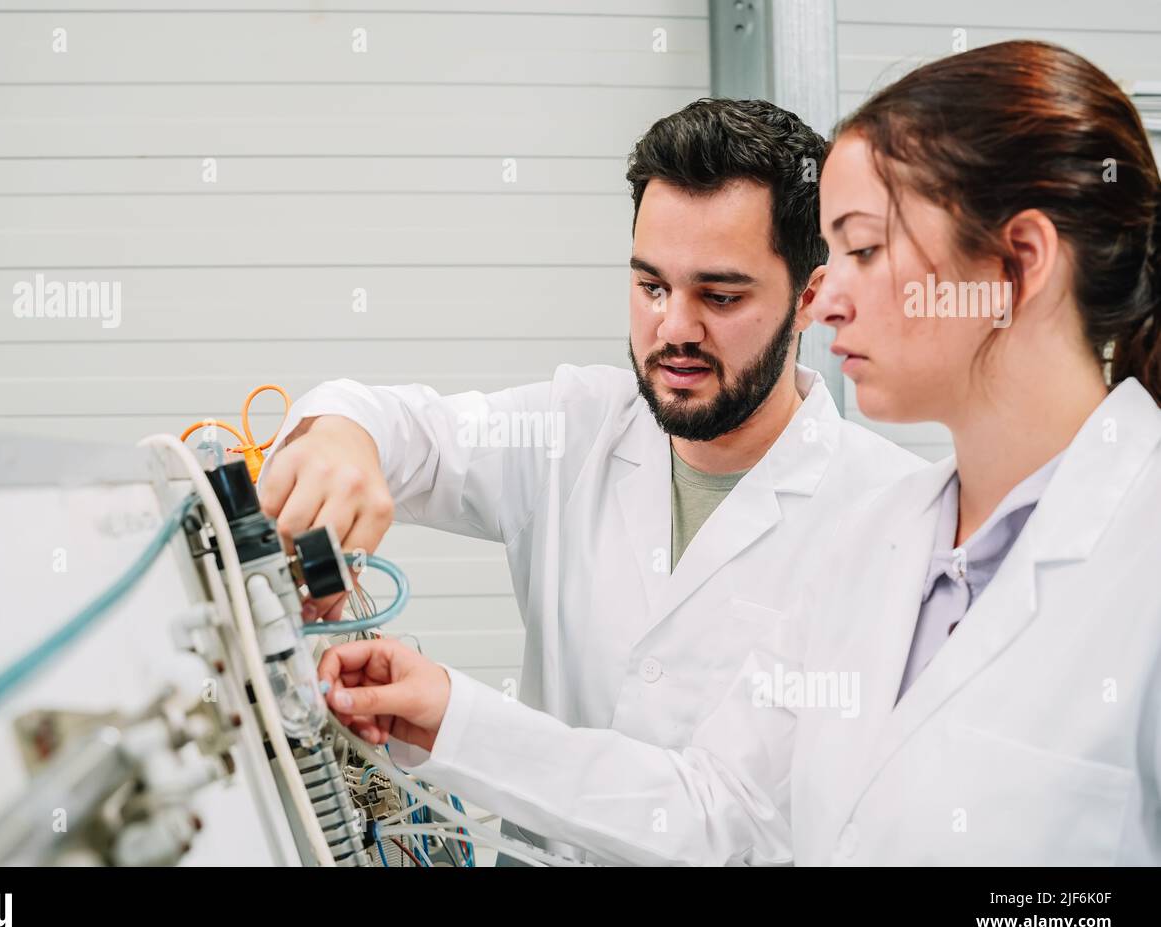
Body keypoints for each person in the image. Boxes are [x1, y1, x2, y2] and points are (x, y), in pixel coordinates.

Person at [316, 40, 1161, 865]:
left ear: (1017, 266)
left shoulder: (1127, 558)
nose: (833, 298)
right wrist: (450, 714)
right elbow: (725, 811)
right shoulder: (890, 539)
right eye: (651, 285)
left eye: (865, 250)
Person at [257, 99, 922, 861]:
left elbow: (729, 822)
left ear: (809, 295)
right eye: (651, 286)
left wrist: (456, 721)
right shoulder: (576, 428)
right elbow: (409, 430)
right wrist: (342, 436)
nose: (674, 328)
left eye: (722, 296)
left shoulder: (888, 519)